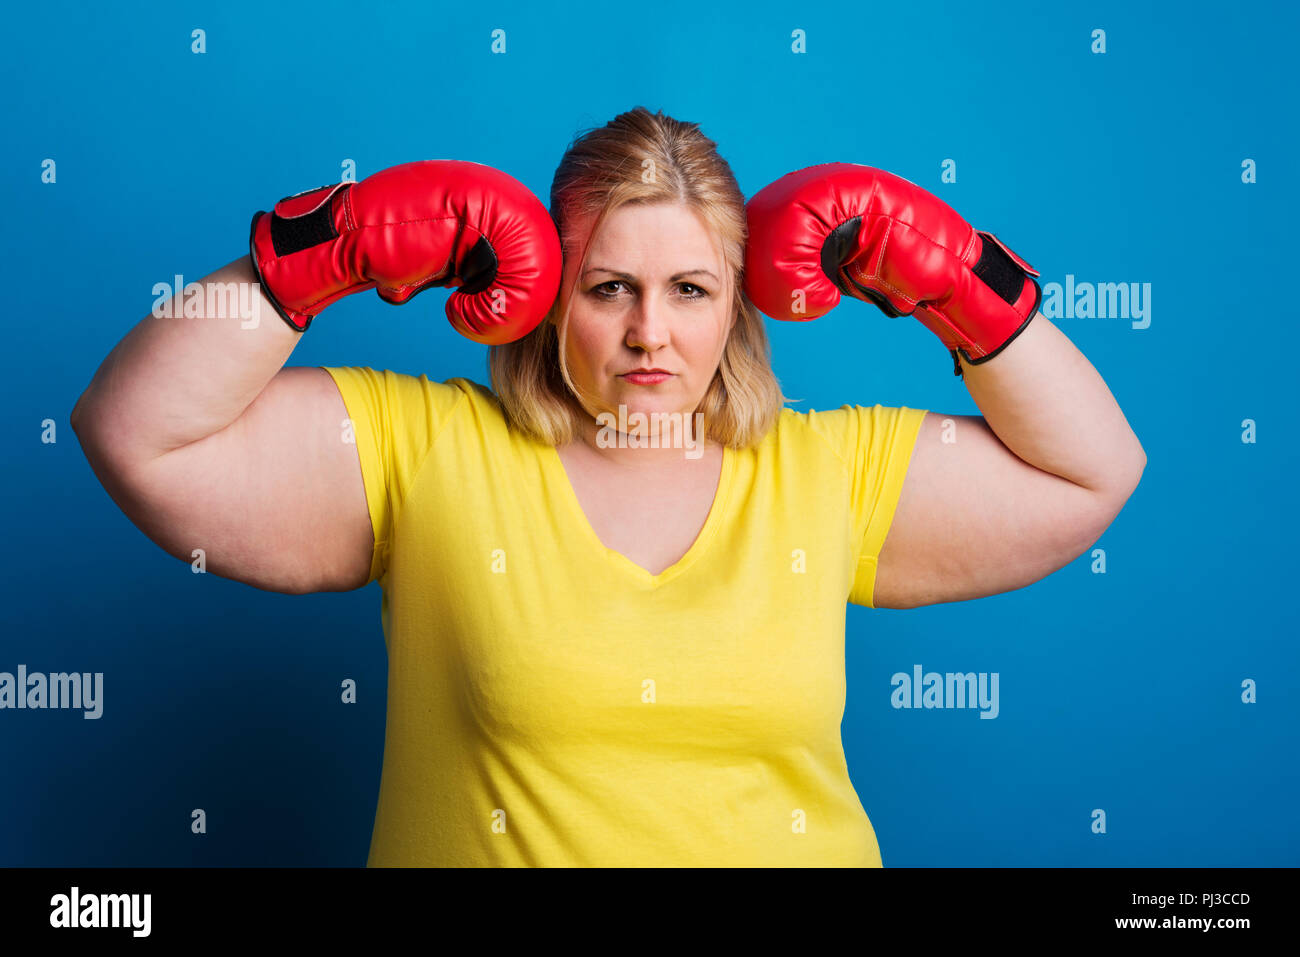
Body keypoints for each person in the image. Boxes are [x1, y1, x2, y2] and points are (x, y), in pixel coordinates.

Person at [71, 106, 1146, 867]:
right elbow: (137, 433)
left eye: (689, 289)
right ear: (544, 294)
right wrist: (326, 250)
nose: (649, 332)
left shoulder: (826, 472)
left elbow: (1093, 471)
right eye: (608, 289)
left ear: (739, 305)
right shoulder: (432, 452)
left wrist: (960, 280)